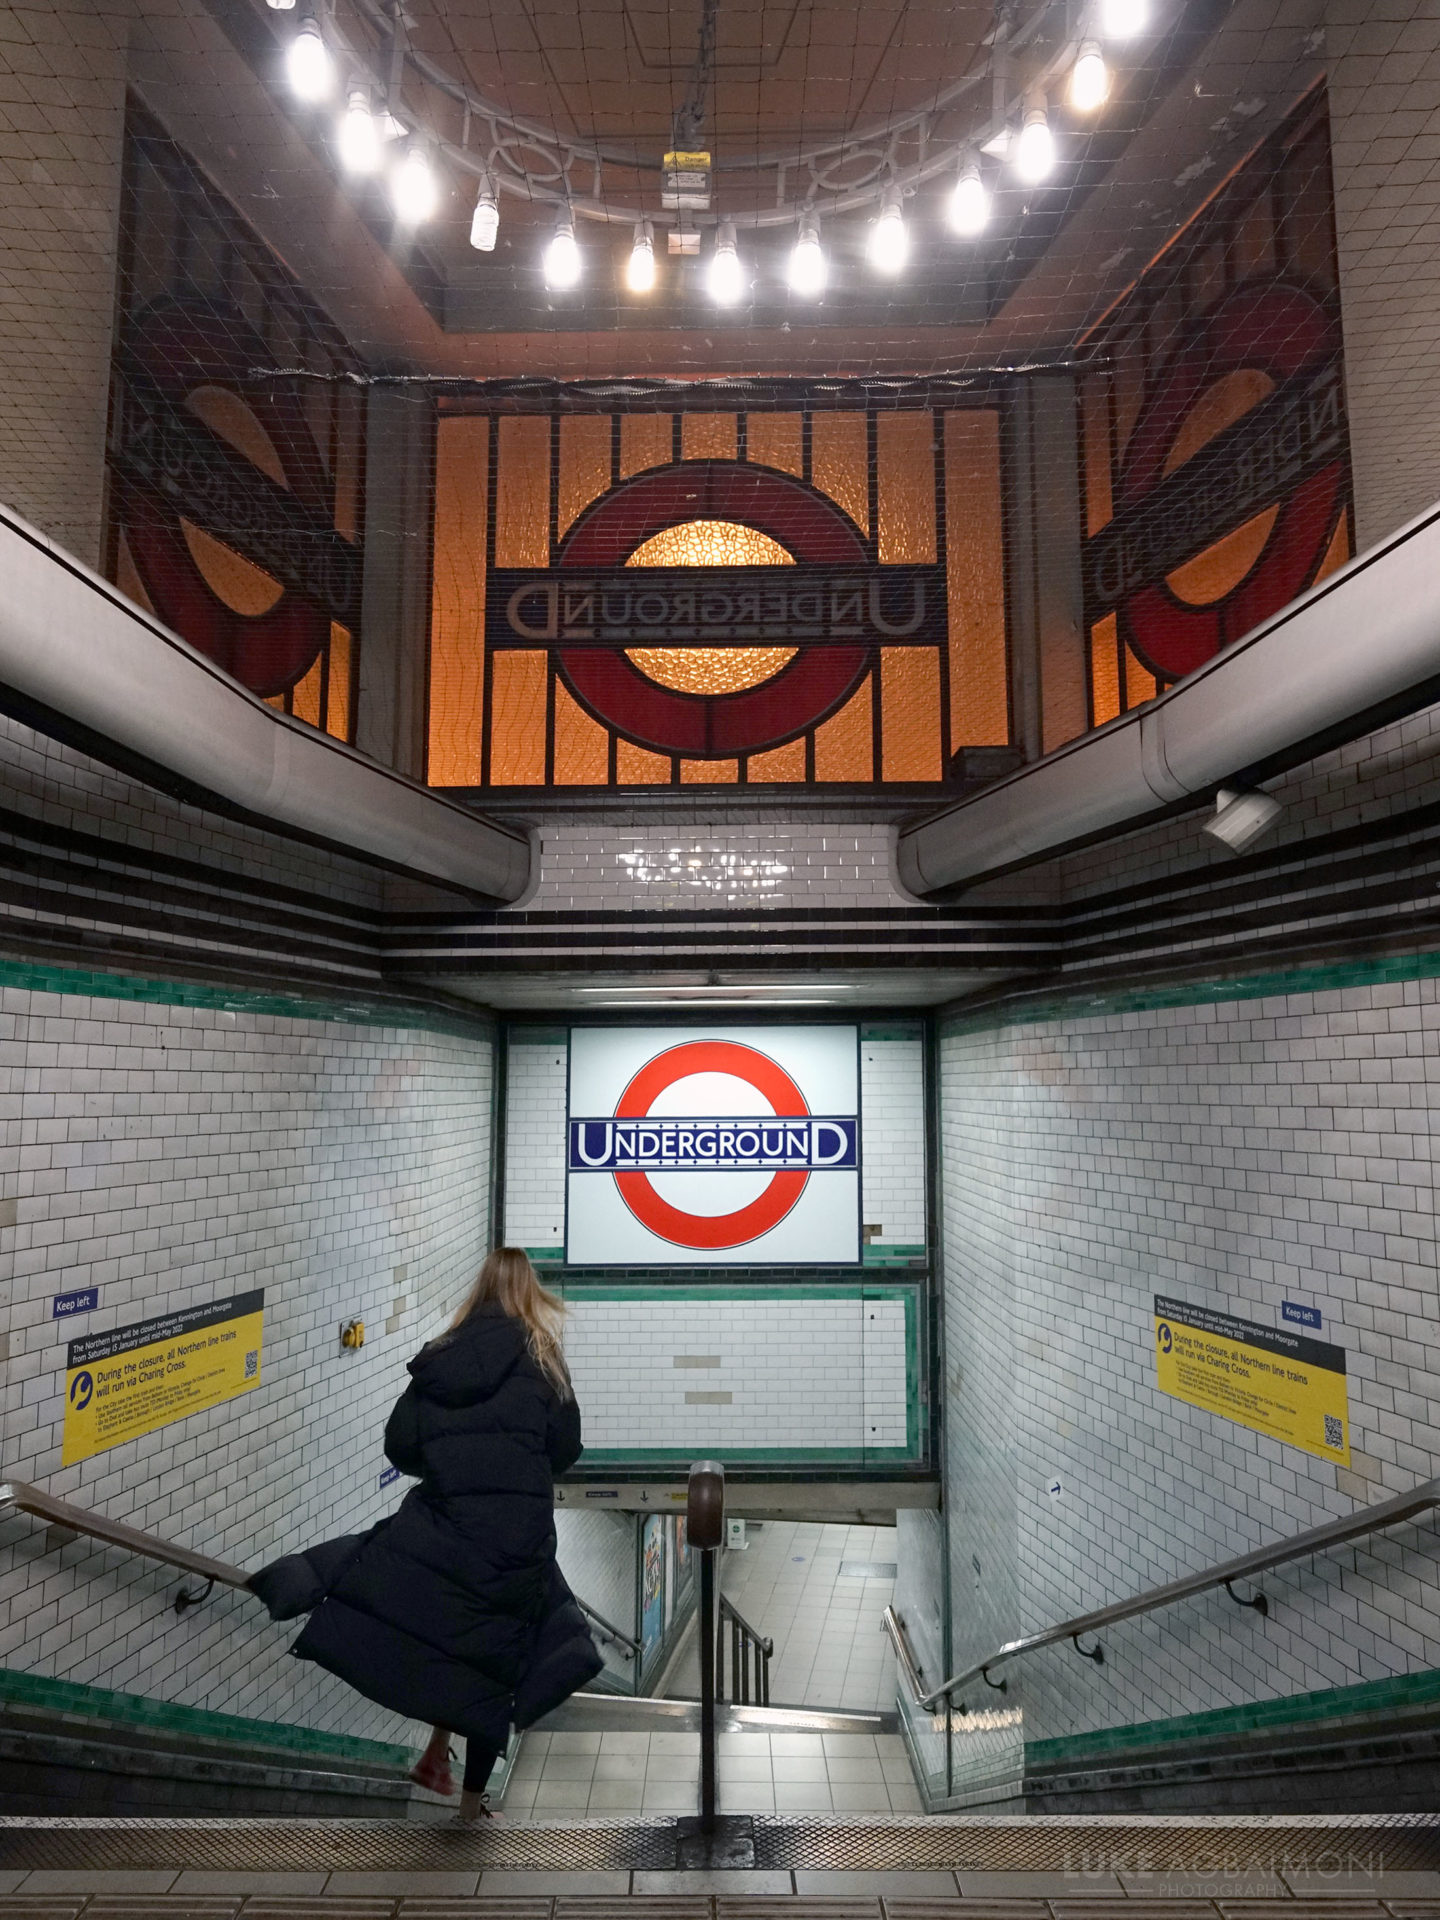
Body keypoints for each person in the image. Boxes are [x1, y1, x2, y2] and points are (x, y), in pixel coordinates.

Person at [249, 1248, 602, 1821]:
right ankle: (469, 1804)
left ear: (479, 1291)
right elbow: (565, 1450)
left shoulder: (441, 1358)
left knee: (455, 1630)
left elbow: (400, 1445)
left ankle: (438, 1752)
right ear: (529, 1293)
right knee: (495, 1653)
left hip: (451, 1522)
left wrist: (452, 1464)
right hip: (517, 1536)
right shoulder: (545, 1359)